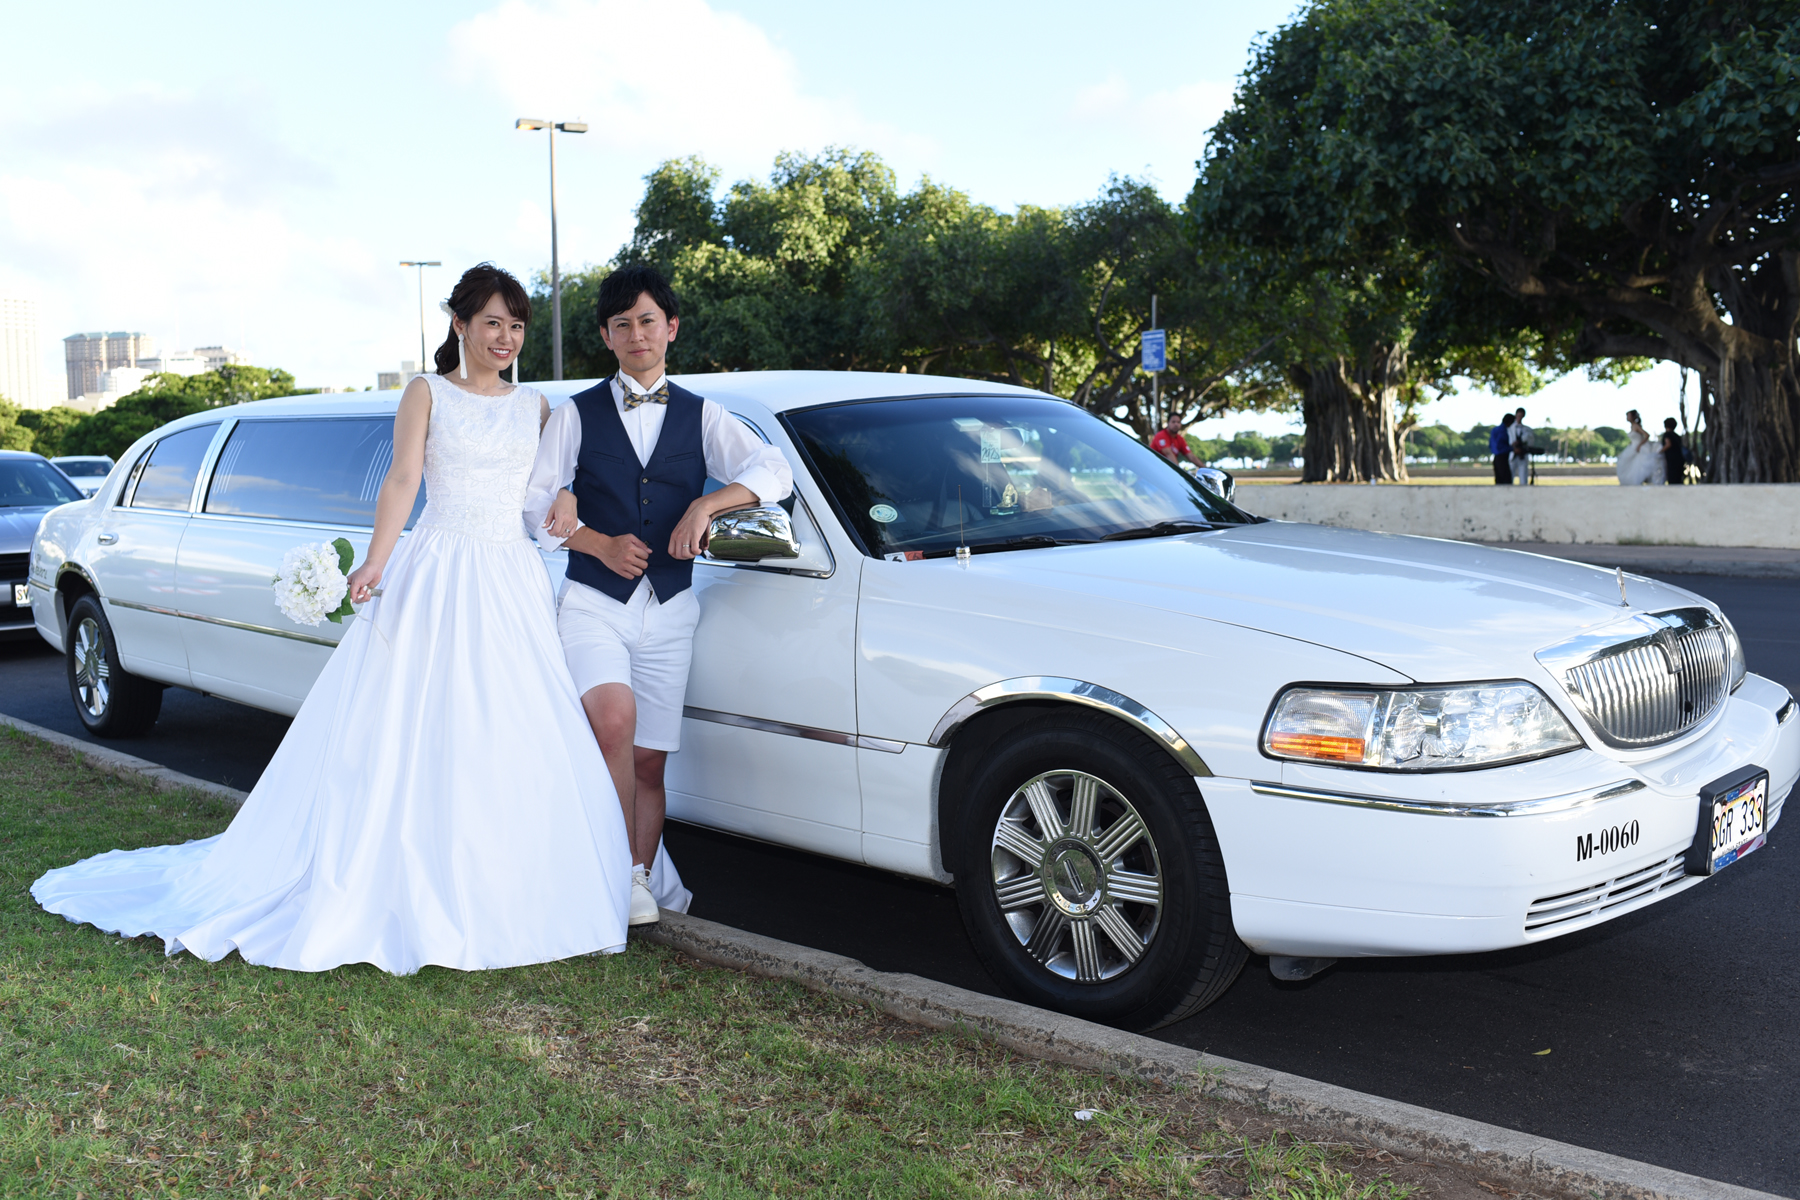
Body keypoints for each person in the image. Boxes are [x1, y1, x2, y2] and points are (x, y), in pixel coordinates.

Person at [31, 264, 646, 974]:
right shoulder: (426, 393)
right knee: (418, 724)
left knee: (513, 722)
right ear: (460, 325)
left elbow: (544, 491)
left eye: (515, 326)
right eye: (491, 324)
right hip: (441, 569)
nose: (504, 338)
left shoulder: (535, 408)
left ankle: (524, 884)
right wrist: (377, 562)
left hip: (512, 577)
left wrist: (565, 498)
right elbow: (403, 481)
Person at [530, 265, 792, 927]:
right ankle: (609, 874)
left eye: (648, 320)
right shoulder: (574, 415)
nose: (637, 333)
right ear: (606, 337)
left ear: (670, 329)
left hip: (672, 610)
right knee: (611, 723)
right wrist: (596, 542)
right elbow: (533, 508)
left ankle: (638, 878)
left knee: (649, 759)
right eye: (623, 324)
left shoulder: (706, 416)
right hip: (593, 604)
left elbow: (774, 471)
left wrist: (707, 504)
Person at [1614, 409, 1661, 485]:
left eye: (1628, 415)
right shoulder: (1632, 426)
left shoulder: (1636, 426)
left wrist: (1639, 445)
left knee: (1638, 465)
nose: (1627, 417)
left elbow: (1646, 435)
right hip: (1633, 447)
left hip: (1639, 448)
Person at [1509, 407, 1534, 484]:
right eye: (1518, 415)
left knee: (1523, 475)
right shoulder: (1510, 428)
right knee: (1510, 475)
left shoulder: (1527, 429)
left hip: (1522, 455)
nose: (1519, 417)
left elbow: (1530, 441)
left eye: (1521, 416)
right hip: (1512, 454)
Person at [1490, 413, 1515, 484]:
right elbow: (1500, 446)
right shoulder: (1503, 431)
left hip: (1496, 457)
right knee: (1506, 480)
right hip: (1502, 457)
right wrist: (1512, 449)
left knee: (1499, 479)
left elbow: (1493, 444)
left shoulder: (1495, 430)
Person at [1661, 418, 1687, 485]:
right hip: (1680, 459)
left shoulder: (1667, 435)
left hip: (1672, 460)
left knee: (1673, 479)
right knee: (1678, 479)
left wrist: (1660, 451)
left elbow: (1668, 444)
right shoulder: (1677, 436)